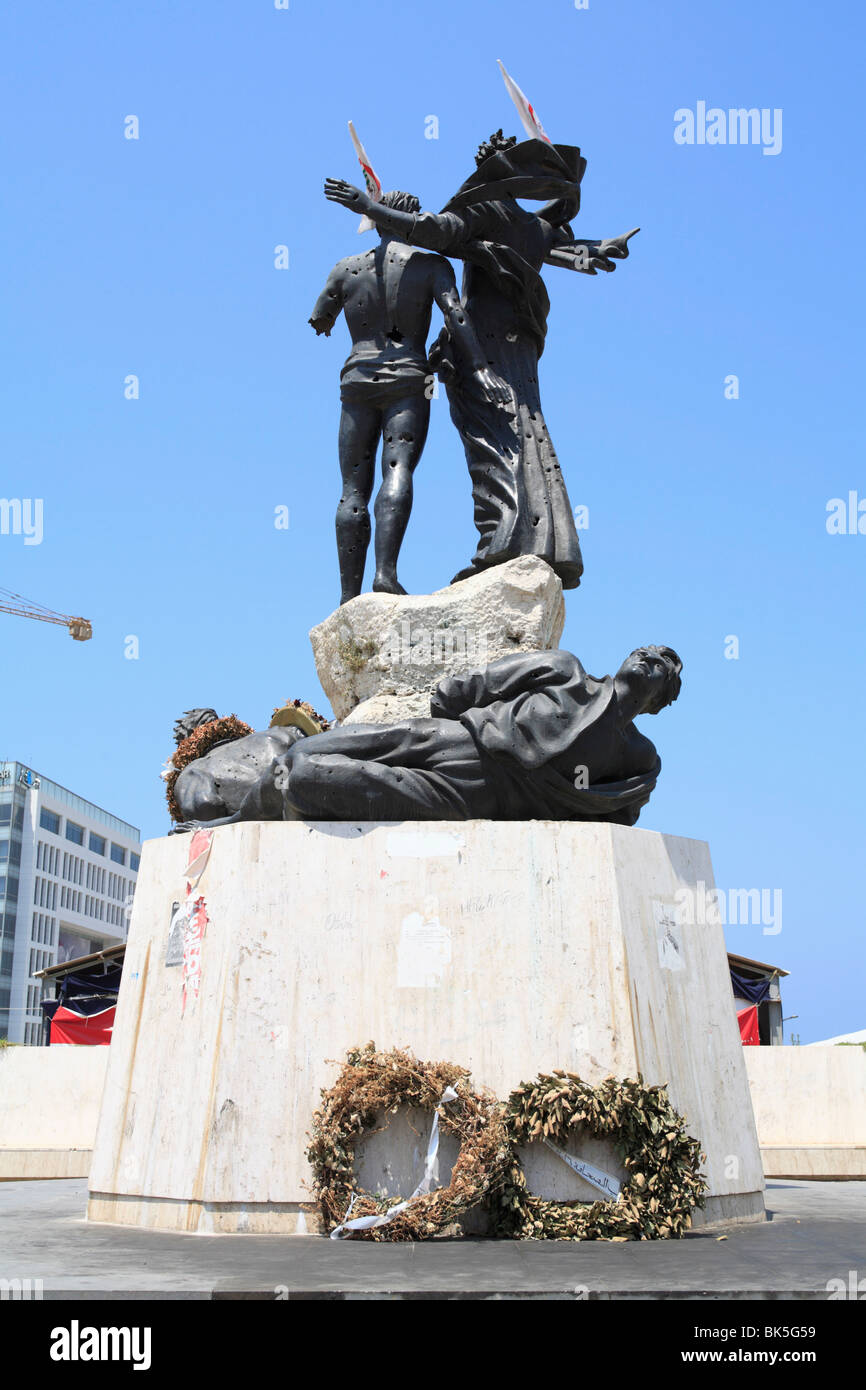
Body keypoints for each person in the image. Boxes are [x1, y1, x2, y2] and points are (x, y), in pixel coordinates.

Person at [325, 137, 638, 590]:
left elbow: (428, 231)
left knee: (492, 438)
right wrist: (600, 248)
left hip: (481, 348)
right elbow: (566, 250)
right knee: (525, 428)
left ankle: (502, 540)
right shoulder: (530, 225)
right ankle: (544, 541)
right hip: (519, 344)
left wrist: (369, 208)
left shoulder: (483, 213)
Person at [170, 645, 682, 830]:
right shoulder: (563, 669)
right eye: (649, 650)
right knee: (302, 751)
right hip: (453, 740)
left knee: (304, 777)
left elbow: (611, 819)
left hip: (475, 799)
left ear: (660, 700)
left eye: (662, 667)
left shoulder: (639, 760)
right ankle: (241, 820)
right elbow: (463, 690)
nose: (650, 659)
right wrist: (454, 724)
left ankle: (246, 820)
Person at [309, 189, 510, 604]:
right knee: (397, 468)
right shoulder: (431, 266)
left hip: (357, 378)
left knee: (351, 487)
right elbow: (456, 316)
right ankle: (385, 574)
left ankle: (349, 596)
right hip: (411, 378)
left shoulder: (345, 269)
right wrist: (479, 367)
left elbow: (319, 319)